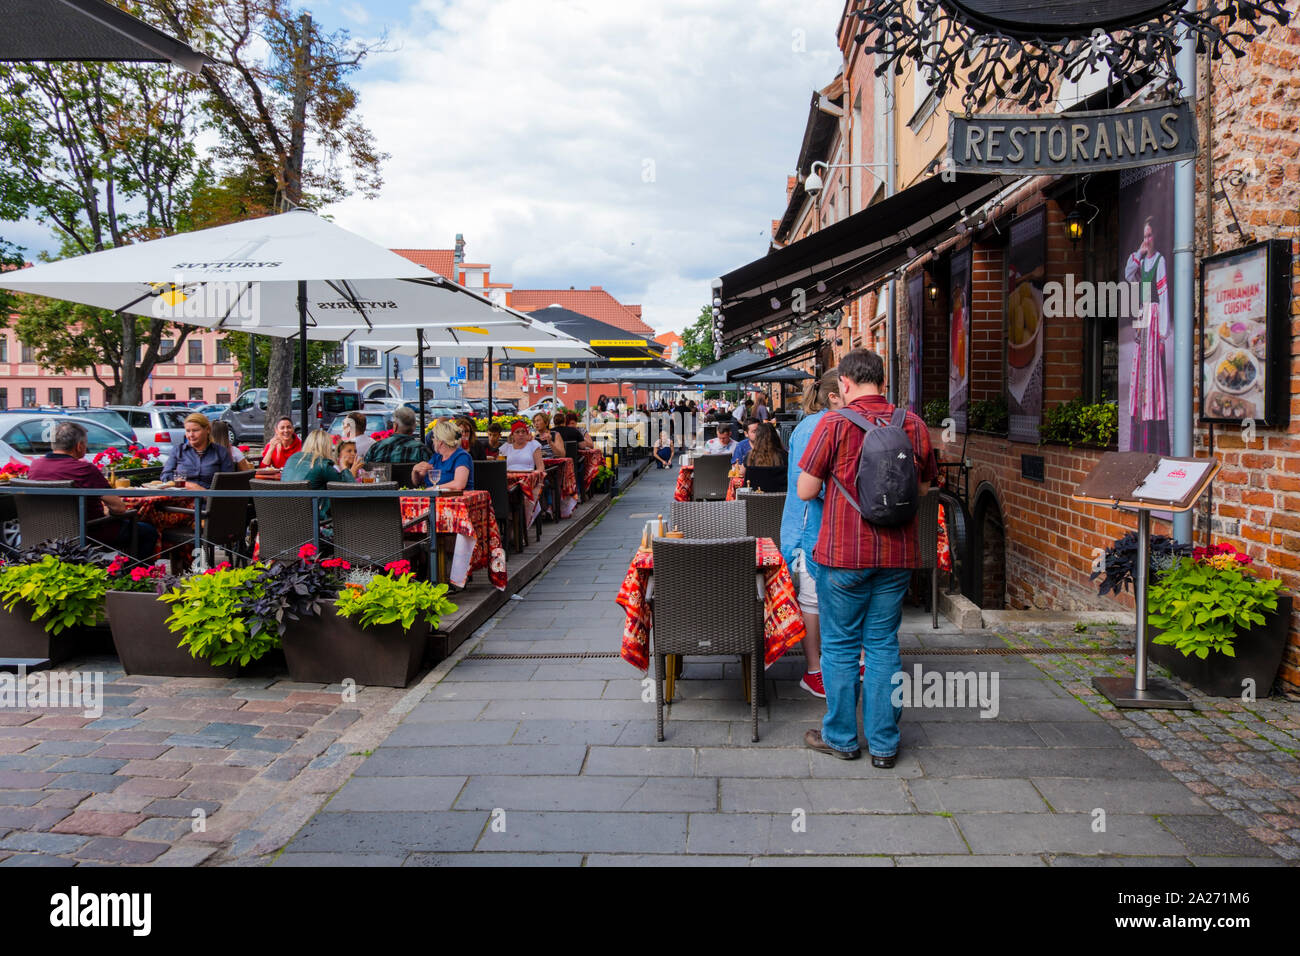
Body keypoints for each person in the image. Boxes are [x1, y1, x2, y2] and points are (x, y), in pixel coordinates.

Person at [797, 349, 936, 768]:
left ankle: (840, 738)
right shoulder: (912, 424)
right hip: (896, 555)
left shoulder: (834, 424)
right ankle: (884, 745)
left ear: (844, 384)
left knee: (839, 648)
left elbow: (805, 490)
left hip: (843, 554)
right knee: (882, 646)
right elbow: (926, 489)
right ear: (883, 381)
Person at [780, 368, 842, 699]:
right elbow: (811, 484)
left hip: (810, 525)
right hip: (810, 527)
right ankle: (814, 670)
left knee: (819, 598)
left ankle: (824, 666)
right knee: (813, 598)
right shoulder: (815, 428)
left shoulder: (816, 425)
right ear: (835, 396)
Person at [27, 420, 157, 558]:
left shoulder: (35, 466)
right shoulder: (84, 469)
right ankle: (135, 575)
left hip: (45, 533)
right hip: (88, 533)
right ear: (79, 446)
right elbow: (119, 509)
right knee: (148, 532)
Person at [1124, 215, 1170, 455]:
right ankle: (1141, 420)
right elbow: (1128, 274)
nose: (1147, 240)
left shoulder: (1160, 260)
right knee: (1140, 369)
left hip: (1153, 317)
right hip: (1143, 317)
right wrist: (1138, 253)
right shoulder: (1142, 261)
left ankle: (1153, 423)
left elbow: (1163, 296)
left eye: (1150, 235)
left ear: (1156, 236)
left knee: (1151, 372)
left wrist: (1162, 335)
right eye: (1145, 236)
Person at [282, 429, 350, 525]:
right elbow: (349, 489)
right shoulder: (323, 465)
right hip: (311, 521)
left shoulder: (292, 459)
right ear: (327, 447)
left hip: (283, 517)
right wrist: (344, 468)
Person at [162, 413, 236, 489]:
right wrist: (189, 485)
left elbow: (228, 480)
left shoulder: (220, 452)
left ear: (207, 430)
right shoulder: (178, 450)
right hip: (183, 496)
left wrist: (206, 493)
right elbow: (166, 475)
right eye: (188, 431)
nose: (191, 435)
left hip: (209, 497)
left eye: (195, 430)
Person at [412, 420, 474, 492]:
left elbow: (459, 484)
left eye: (434, 438)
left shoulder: (462, 456)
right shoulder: (437, 457)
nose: (433, 441)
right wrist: (415, 471)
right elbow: (418, 482)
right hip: (434, 500)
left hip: (455, 500)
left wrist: (433, 489)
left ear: (440, 441)